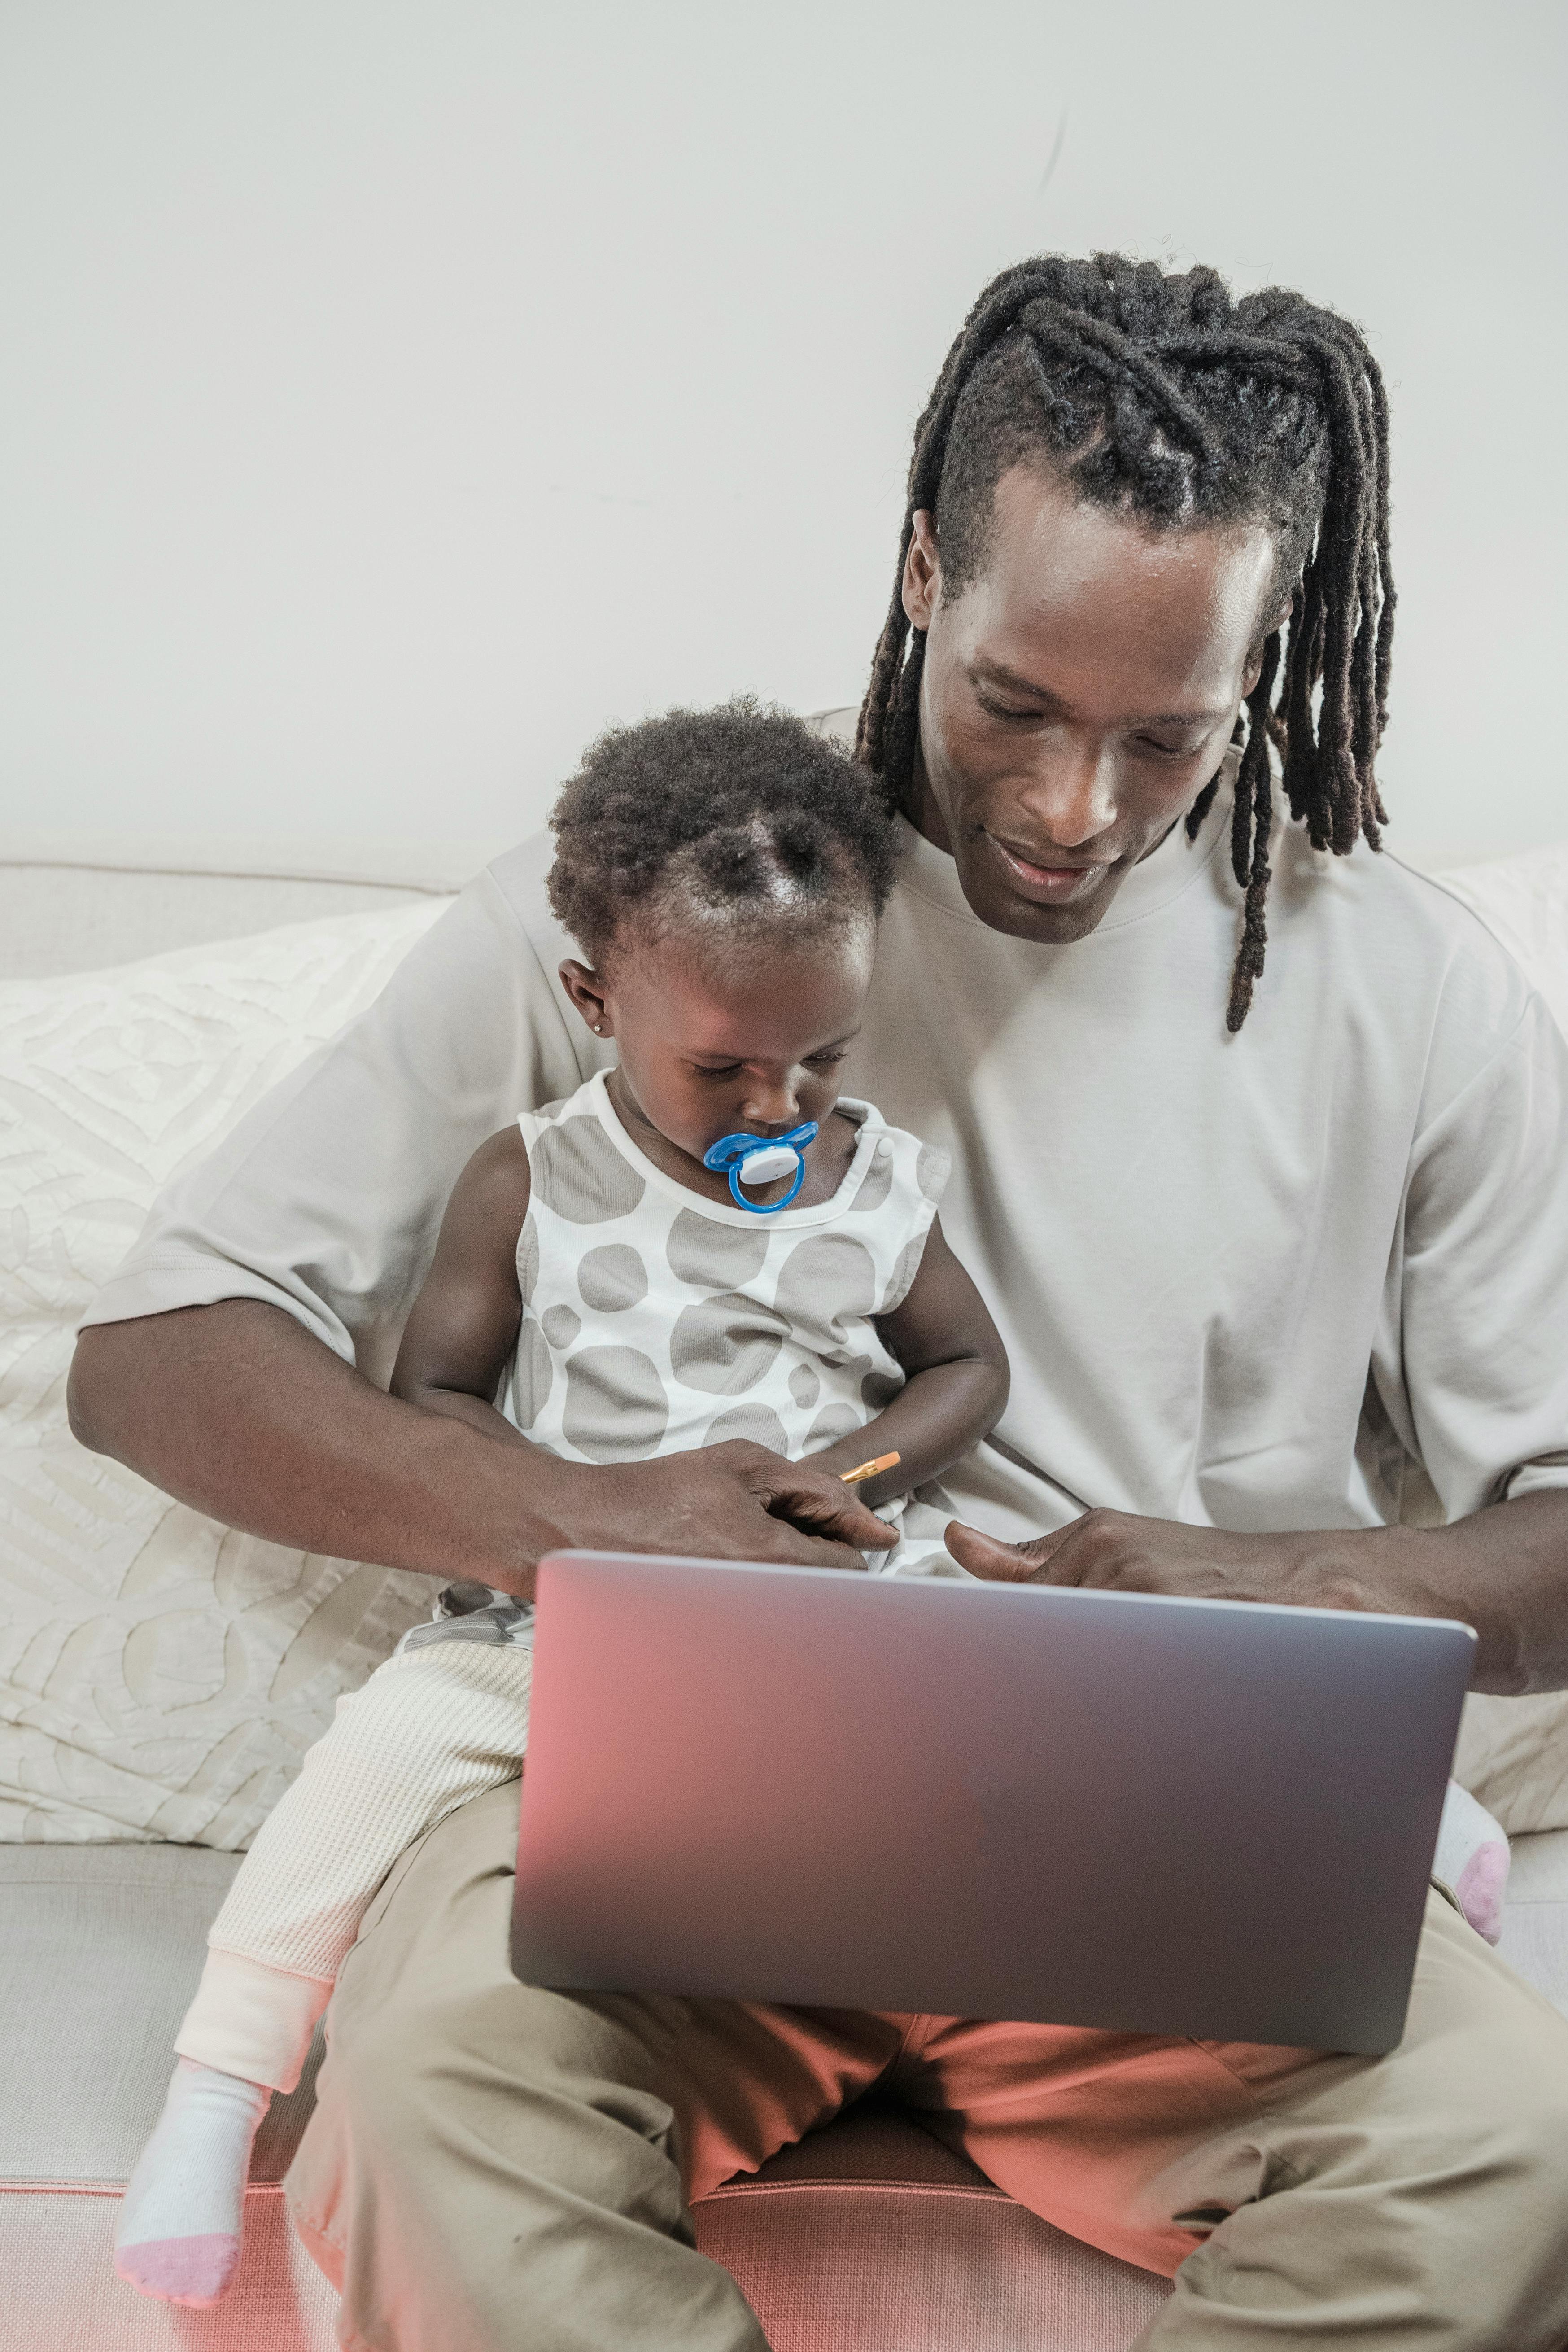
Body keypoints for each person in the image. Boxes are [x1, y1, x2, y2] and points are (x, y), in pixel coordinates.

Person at [72, 253, 1568, 2349]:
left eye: (1169, 740)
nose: (1073, 812)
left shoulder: (1401, 981)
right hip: (654, 1797)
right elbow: (160, 1366)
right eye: (1018, 707)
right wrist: (587, 1515)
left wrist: (1283, 1580)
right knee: (433, 2109)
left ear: (1269, 666)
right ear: (917, 577)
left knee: (1512, 2153)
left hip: (1153, 1827)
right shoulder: (664, 895)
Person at [111, 703, 1009, 2310]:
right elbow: (435, 1404)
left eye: (820, 1056)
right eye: (724, 1064)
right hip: (570, 1614)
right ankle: (214, 2092)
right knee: (368, 1765)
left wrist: (856, 1474)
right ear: (596, 1000)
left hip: (841, 1582)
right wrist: (577, 1512)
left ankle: (1382, 1816)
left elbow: (967, 1372)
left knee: (1063, 1642)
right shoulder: (525, 1177)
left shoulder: (874, 1179)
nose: (777, 1108)